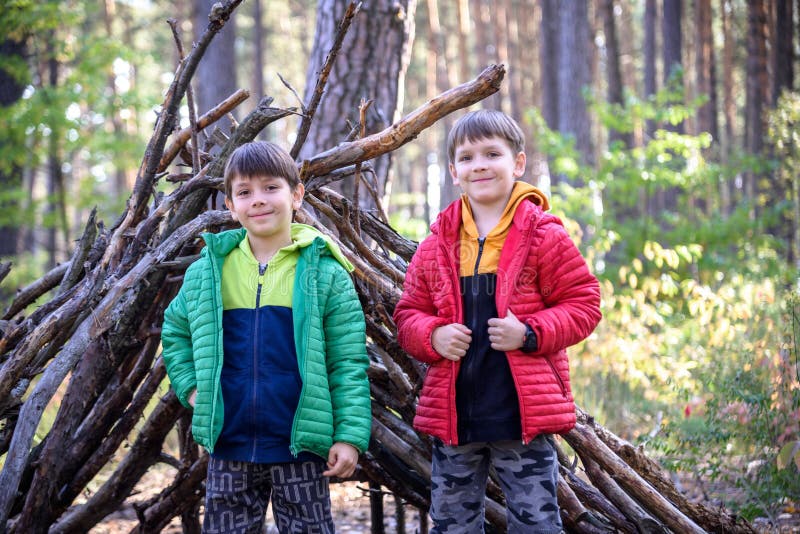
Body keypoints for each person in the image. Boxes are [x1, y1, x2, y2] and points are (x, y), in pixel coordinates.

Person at [393, 109, 601, 533]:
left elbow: (583, 304)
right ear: (454, 171)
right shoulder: (437, 244)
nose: (480, 165)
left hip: (521, 417)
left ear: (518, 163)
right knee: (453, 525)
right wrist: (433, 335)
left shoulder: (543, 234)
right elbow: (408, 314)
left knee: (537, 523)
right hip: (456, 418)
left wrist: (529, 333)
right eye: (467, 158)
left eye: (492, 153)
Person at [161, 141, 371, 534]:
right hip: (229, 443)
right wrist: (192, 389)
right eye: (244, 192)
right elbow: (175, 333)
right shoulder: (210, 273)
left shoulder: (325, 274)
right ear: (229, 205)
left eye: (270, 188)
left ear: (296, 194)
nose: (258, 200)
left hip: (302, 445)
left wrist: (349, 436)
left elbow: (348, 362)